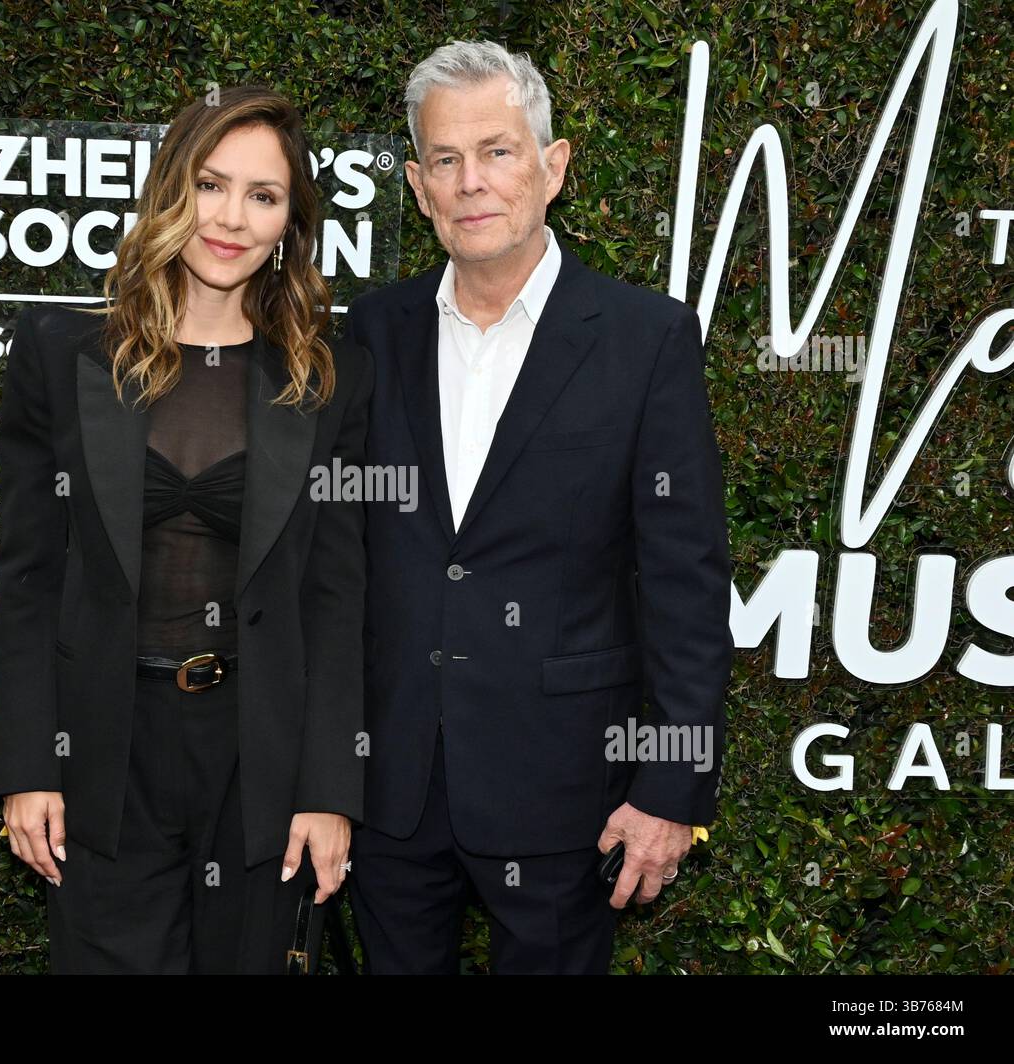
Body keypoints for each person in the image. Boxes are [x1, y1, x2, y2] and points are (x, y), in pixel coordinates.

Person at [343, 40, 733, 974]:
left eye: (498, 151)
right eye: (445, 159)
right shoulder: (369, 333)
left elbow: (685, 582)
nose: (472, 181)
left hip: (569, 794)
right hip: (387, 791)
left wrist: (672, 786)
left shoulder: (646, 339)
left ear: (552, 166)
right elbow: (332, 559)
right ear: (418, 183)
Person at [0, 85, 372, 973]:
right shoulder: (63, 353)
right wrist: (27, 766)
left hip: (259, 759)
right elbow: (29, 578)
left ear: (290, 224)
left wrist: (328, 790)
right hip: (102, 753)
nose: (231, 217)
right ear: (170, 190)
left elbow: (336, 597)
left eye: (263, 196)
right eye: (211, 184)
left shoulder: (329, 380)